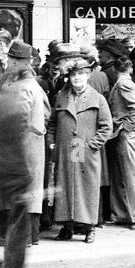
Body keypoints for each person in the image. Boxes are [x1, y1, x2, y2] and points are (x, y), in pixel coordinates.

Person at [0, 40, 48, 268]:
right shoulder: (27, 89)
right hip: (16, 166)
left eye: (12, 60)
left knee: (12, 222)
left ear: (22, 63)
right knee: (18, 227)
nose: (8, 63)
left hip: (4, 164)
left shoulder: (11, 88)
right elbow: (31, 127)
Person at [48, 57, 113, 243]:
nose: (77, 78)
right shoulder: (61, 97)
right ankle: (66, 226)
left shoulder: (97, 98)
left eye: (81, 74)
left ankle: (89, 227)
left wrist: (92, 145)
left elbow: (106, 127)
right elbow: (52, 123)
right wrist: (51, 141)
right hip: (65, 148)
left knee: (86, 187)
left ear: (87, 76)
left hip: (84, 149)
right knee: (66, 186)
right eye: (73, 75)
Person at [105, 55, 135, 229]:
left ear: (115, 70)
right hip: (122, 134)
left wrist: (127, 127)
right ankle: (124, 214)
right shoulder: (125, 83)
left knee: (129, 174)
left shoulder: (123, 84)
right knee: (122, 174)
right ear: (131, 69)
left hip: (125, 134)